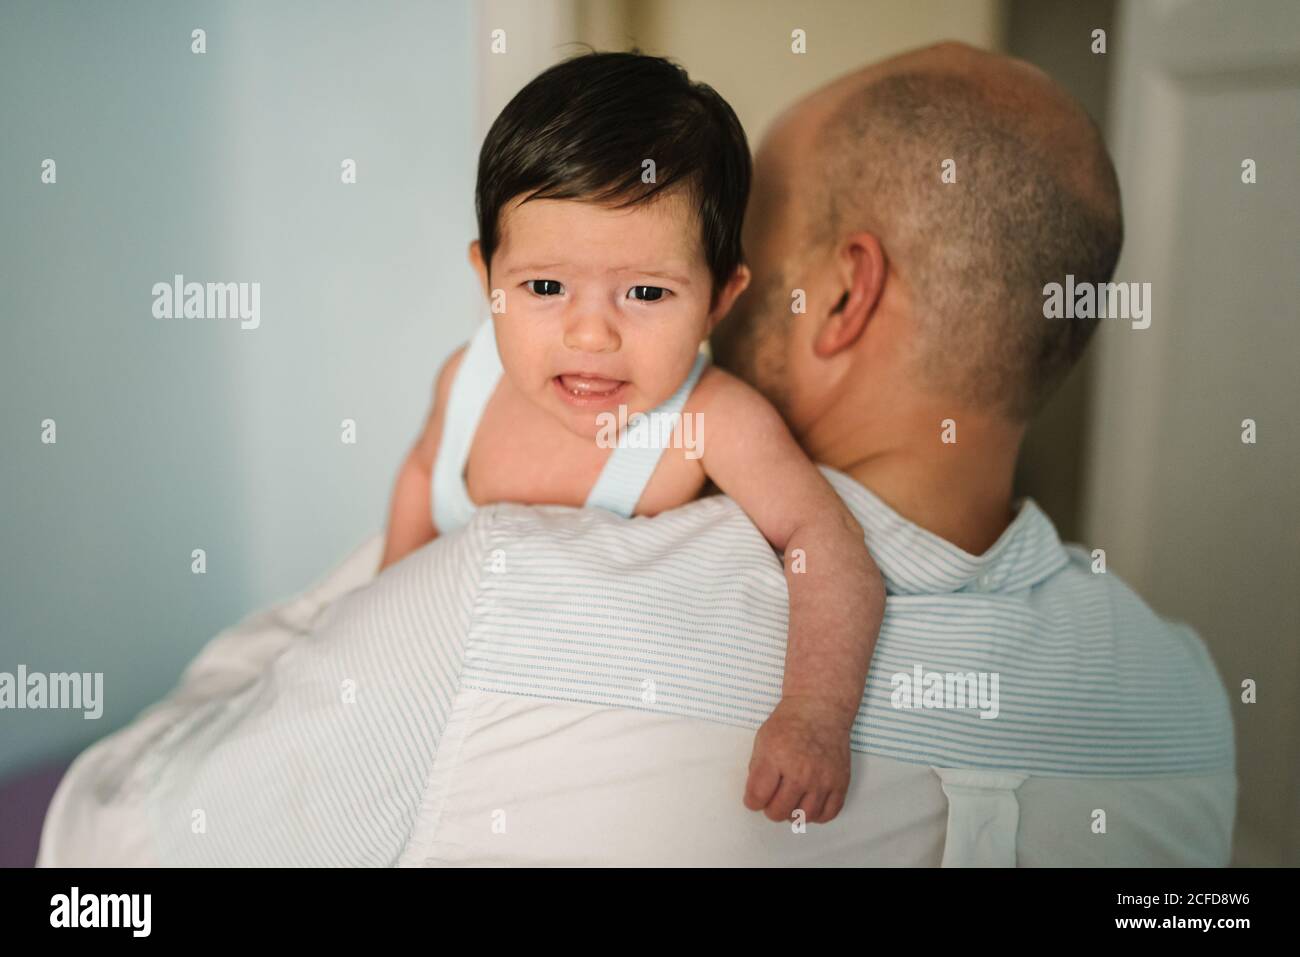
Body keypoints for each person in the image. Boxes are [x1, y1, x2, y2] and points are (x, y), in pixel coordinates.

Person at [39, 42, 1235, 867]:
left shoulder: (510, 594)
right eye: (549, 281)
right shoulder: (1185, 707)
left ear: (836, 298)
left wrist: (358, 607)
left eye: (698, 257)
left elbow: (118, 859)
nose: (595, 328)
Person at [377, 52, 883, 824]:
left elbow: (827, 539)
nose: (590, 333)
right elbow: (421, 474)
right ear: (489, 280)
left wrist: (814, 712)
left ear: (720, 299)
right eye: (544, 287)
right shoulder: (468, 376)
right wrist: (381, 608)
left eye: (646, 292)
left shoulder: (708, 420)